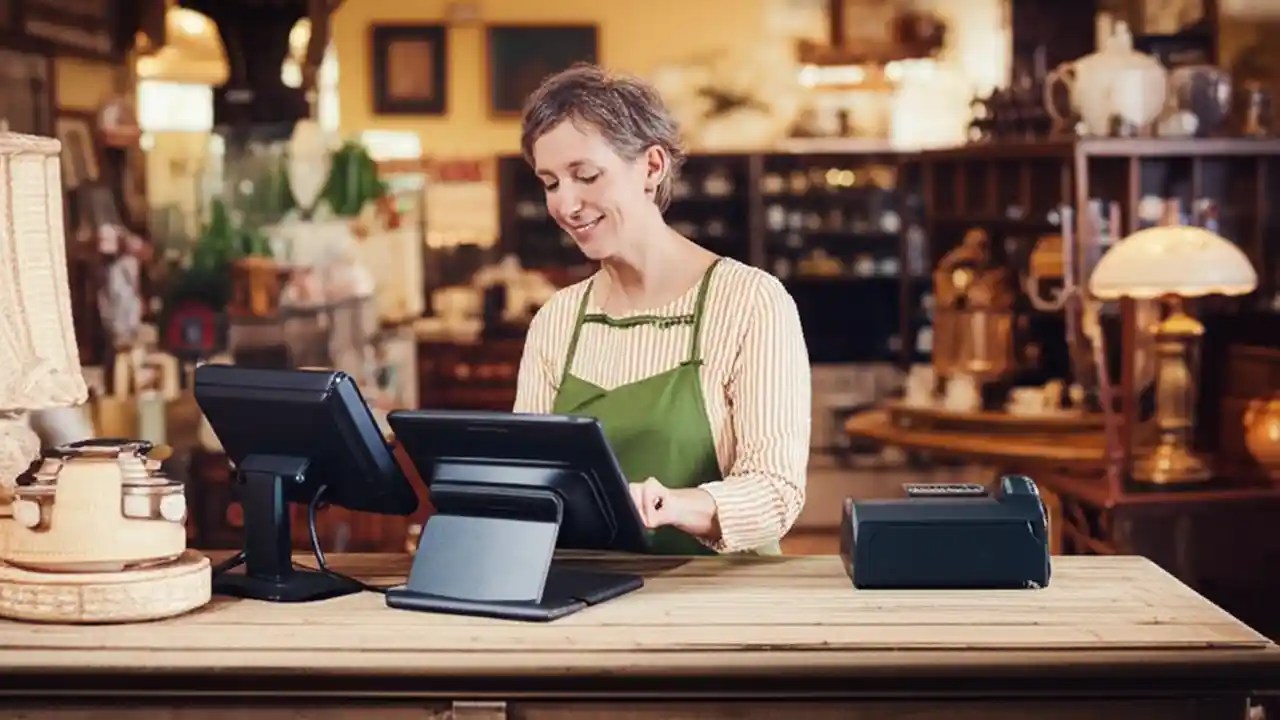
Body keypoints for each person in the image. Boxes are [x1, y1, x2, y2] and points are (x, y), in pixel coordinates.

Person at [512, 63, 811, 556]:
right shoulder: (557, 321)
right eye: (550, 183)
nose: (566, 204)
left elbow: (777, 491)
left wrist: (673, 506)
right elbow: (529, 483)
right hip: (584, 591)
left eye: (586, 176)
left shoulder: (750, 302)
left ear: (652, 167)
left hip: (719, 593)